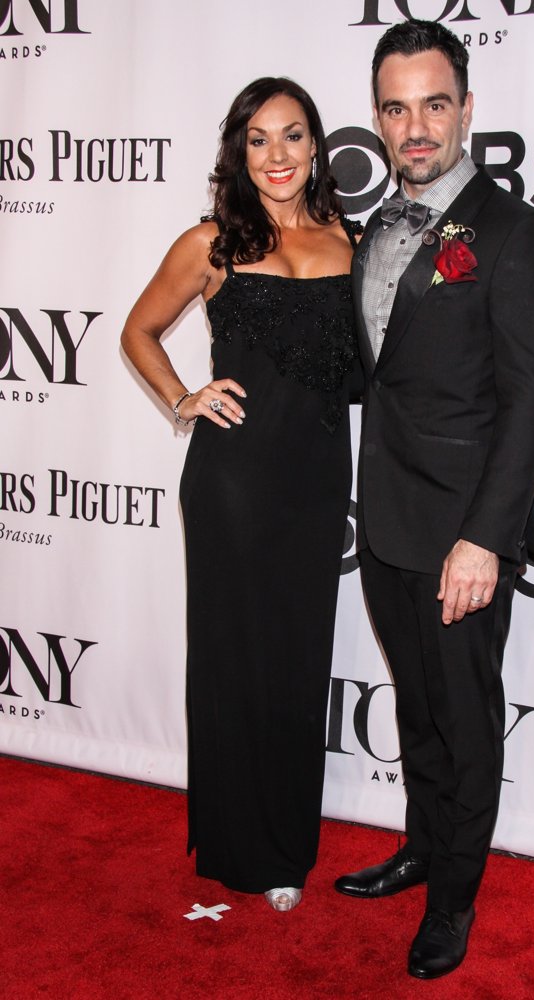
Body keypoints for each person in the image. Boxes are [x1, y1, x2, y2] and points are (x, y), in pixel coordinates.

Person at [335, 20, 534, 979]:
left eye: (436, 103)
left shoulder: (518, 235)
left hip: (462, 539)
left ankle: (455, 903)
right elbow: (381, 376)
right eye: (397, 107)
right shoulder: (377, 231)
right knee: (419, 710)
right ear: (380, 120)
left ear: (468, 110)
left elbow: (530, 403)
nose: (416, 125)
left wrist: (483, 538)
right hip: (386, 521)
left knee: (467, 721)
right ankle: (422, 850)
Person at [121, 77, 361, 912]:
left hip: (318, 480)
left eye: (294, 136)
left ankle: (288, 844)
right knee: (236, 658)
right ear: (238, 150)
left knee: (298, 661)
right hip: (233, 483)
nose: (279, 156)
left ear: (317, 147)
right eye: (259, 140)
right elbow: (137, 330)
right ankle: (237, 845)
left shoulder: (348, 241)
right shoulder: (211, 243)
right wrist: (183, 397)